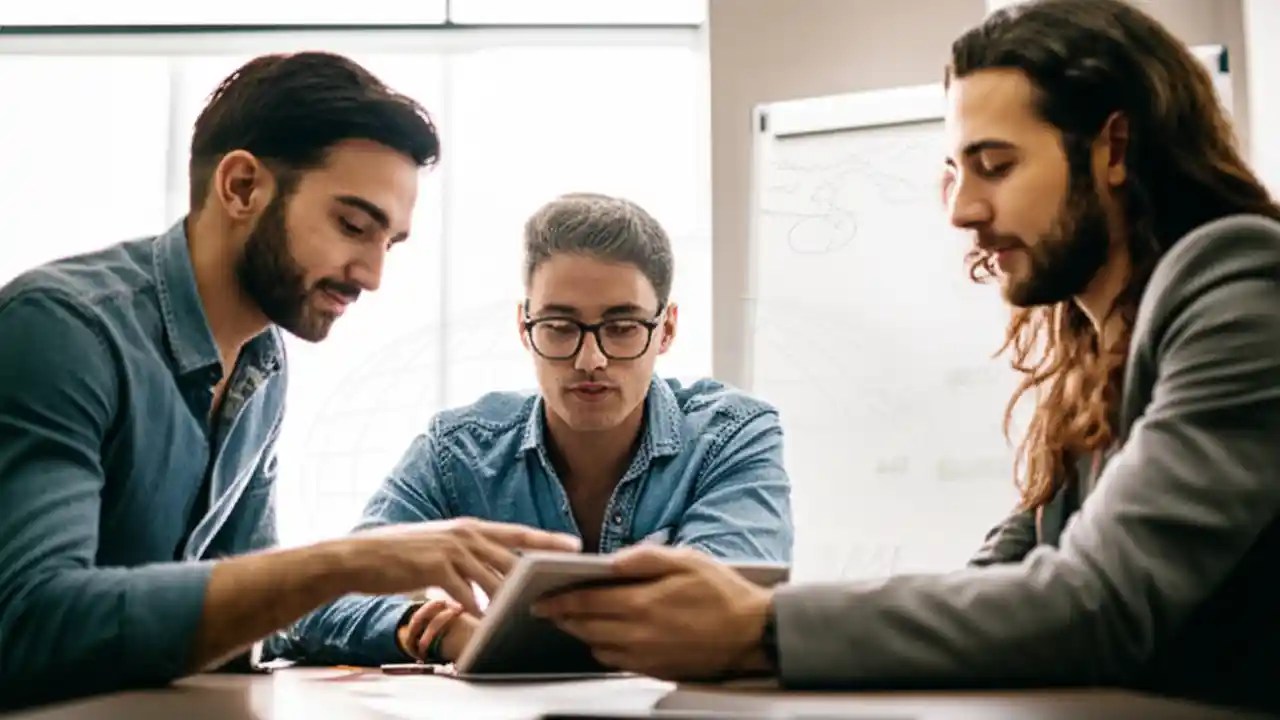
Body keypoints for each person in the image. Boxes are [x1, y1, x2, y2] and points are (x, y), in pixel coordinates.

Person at [529, 0, 1280, 712]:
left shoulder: (1237, 281)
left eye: (995, 164)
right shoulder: (1090, 339)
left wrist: (761, 625)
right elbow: (1011, 574)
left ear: (1113, 149)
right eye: (956, 170)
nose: (960, 209)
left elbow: (1098, 601)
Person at [0, 51, 578, 707]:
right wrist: (350, 560)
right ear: (242, 187)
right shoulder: (62, 331)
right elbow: (27, 624)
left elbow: (259, 604)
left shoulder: (261, 362)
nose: (371, 275)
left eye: (388, 243)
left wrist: (428, 629)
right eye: (353, 226)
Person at [274, 192, 794, 666]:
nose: (591, 359)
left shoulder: (733, 435)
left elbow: (726, 608)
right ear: (525, 328)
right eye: (560, 327)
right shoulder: (458, 450)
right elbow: (313, 605)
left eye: (622, 327)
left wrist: (499, 632)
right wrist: (431, 630)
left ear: (667, 330)